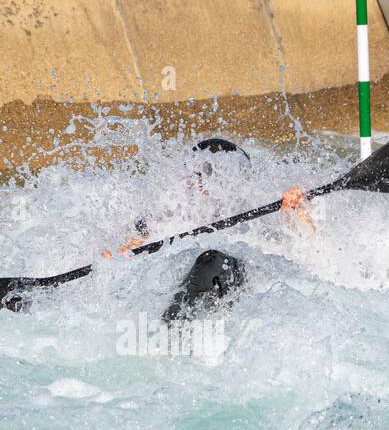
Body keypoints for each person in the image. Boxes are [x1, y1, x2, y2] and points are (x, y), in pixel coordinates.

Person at [103, 138, 313, 325]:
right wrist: (116, 258)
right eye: (197, 174)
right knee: (204, 261)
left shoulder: (253, 204)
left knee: (210, 259)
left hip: (237, 273)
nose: (199, 184)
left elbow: (308, 245)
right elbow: (137, 243)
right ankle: (170, 326)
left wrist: (296, 209)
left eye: (207, 174)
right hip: (191, 274)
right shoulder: (174, 210)